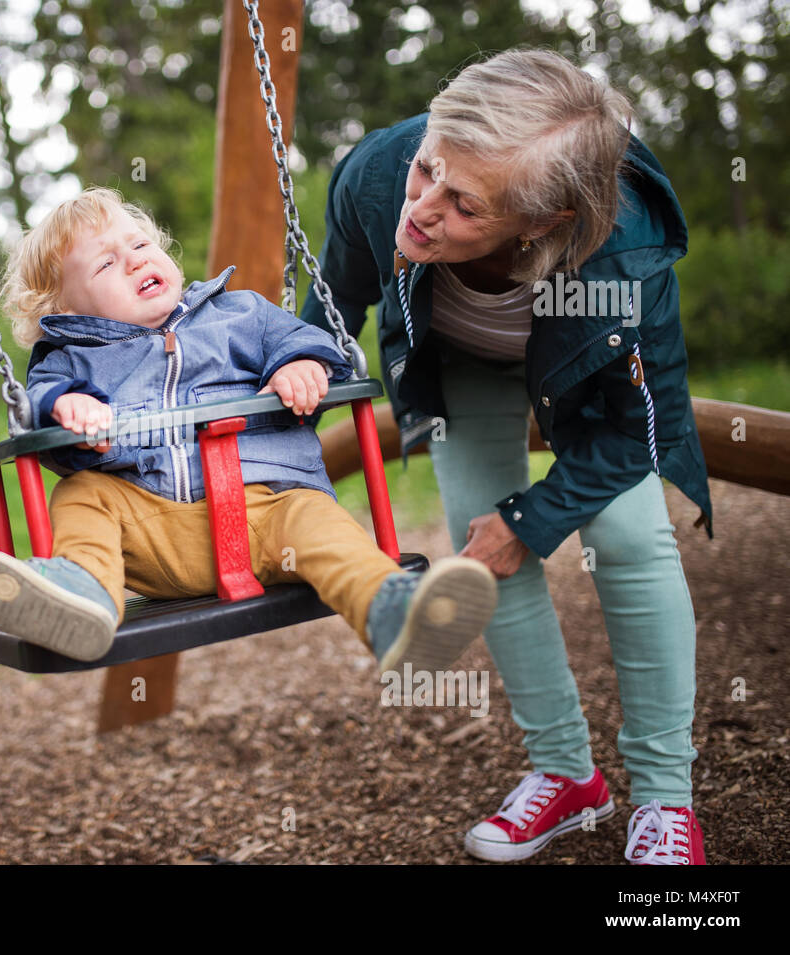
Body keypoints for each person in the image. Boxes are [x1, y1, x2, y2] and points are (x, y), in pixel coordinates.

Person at [301, 49, 712, 865]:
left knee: (630, 540)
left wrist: (535, 517)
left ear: (542, 223)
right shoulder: (380, 177)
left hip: (589, 391)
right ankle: (565, 774)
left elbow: (640, 430)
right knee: (480, 546)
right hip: (457, 361)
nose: (420, 210)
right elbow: (325, 317)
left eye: (463, 206)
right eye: (429, 171)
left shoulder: (624, 253)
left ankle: (666, 798)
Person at [0, 187, 497, 676]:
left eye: (140, 244)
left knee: (320, 523)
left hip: (270, 512)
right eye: (105, 263)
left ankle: (394, 614)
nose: (134, 260)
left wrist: (300, 363)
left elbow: (299, 337)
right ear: (66, 310)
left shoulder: (239, 313)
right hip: (152, 538)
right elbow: (33, 403)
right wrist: (66, 406)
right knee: (83, 494)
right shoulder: (70, 359)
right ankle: (86, 595)